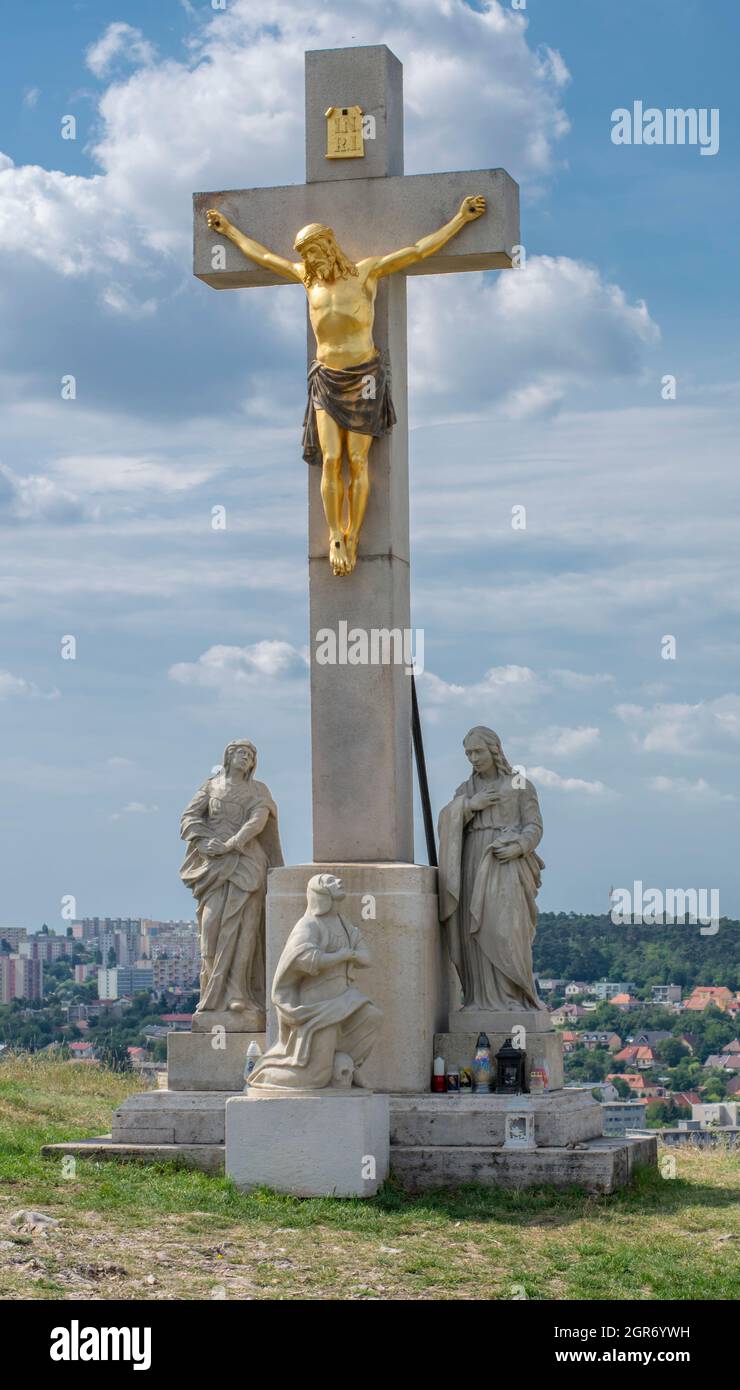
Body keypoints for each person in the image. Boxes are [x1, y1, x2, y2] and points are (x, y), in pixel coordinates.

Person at [438, 726, 546, 1012]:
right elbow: (447, 826)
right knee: (474, 928)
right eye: (468, 753)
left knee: (505, 928)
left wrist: (520, 847)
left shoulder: (519, 784)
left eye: (478, 751)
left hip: (506, 862)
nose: (473, 758)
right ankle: (480, 999)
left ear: (494, 750)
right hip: (474, 857)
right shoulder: (466, 790)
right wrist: (470, 806)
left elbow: (534, 825)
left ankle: (513, 996)